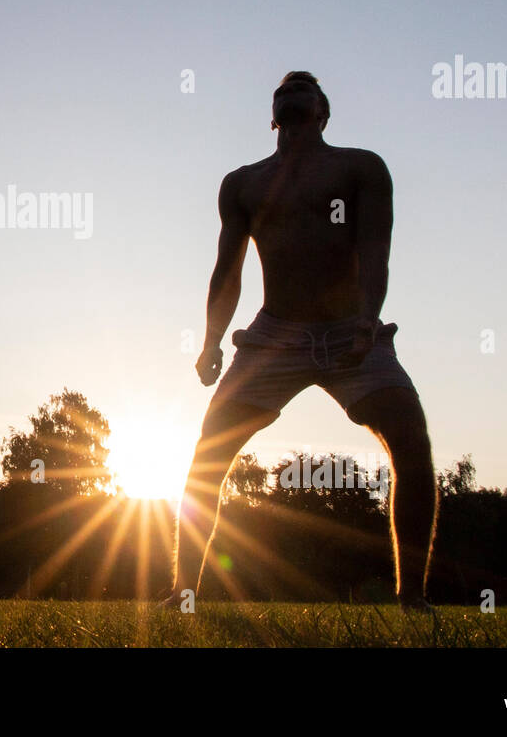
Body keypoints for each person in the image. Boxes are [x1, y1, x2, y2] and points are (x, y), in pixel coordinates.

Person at [166, 71, 437, 612]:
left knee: (411, 440)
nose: (292, 90)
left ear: (322, 112)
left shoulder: (360, 168)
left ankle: (412, 598)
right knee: (208, 452)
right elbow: (227, 270)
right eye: (284, 90)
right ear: (272, 116)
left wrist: (367, 319)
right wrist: (211, 341)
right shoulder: (242, 184)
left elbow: (375, 248)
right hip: (274, 335)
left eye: (304, 87)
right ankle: (184, 594)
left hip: (351, 329)